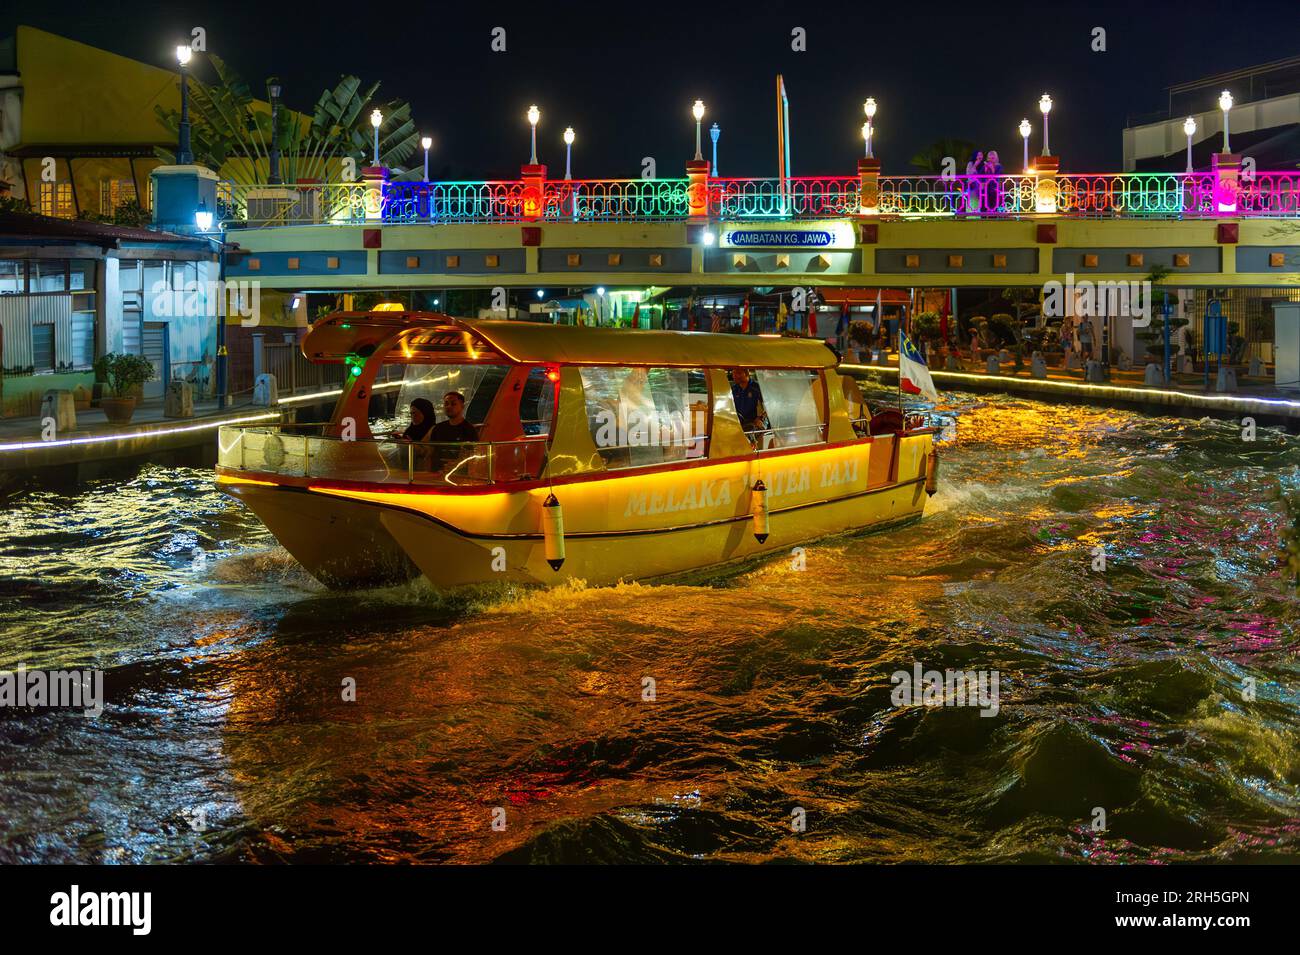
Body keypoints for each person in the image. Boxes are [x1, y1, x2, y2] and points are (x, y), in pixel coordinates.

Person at [731, 367, 765, 434]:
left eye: (739, 373)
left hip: (754, 425)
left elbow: (768, 406)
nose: (735, 376)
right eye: (734, 373)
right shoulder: (733, 389)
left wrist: (760, 419)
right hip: (738, 424)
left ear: (747, 374)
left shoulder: (757, 388)